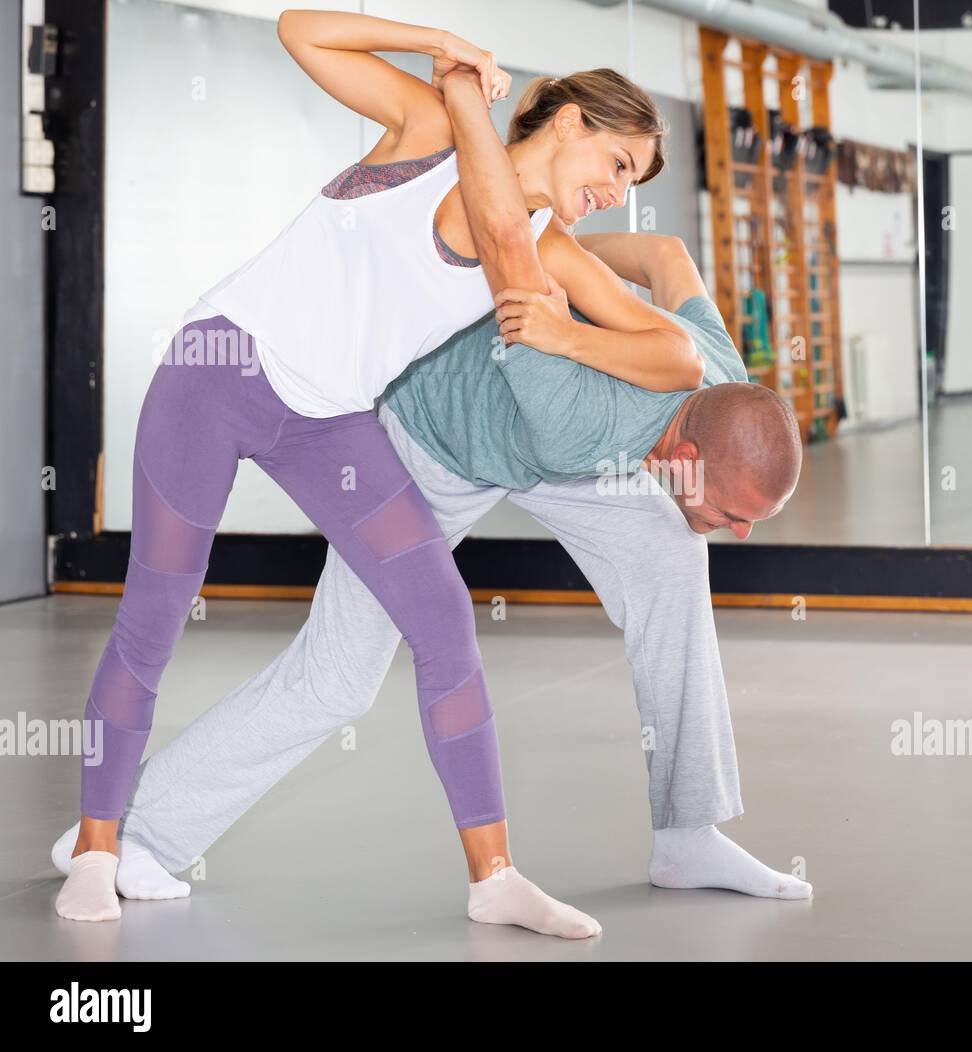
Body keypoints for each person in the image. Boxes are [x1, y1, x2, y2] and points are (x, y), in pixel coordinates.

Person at [56, 8, 697, 924]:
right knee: (154, 615)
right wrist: (439, 47)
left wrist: (563, 332)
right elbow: (299, 31)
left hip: (329, 423)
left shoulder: (545, 243)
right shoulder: (433, 126)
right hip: (220, 373)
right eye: (618, 164)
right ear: (569, 122)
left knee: (443, 623)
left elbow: (673, 355)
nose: (617, 192)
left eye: (630, 181)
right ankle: (95, 849)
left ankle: (494, 878)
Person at [51, 229, 813, 933]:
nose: (742, 530)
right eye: (731, 510)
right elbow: (543, 360)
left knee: (675, 554)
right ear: (683, 452)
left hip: (574, 450)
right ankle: (133, 828)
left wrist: (577, 260)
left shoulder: (712, 371)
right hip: (436, 443)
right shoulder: (575, 415)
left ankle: (688, 833)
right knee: (337, 679)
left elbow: (668, 254)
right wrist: (547, 254)